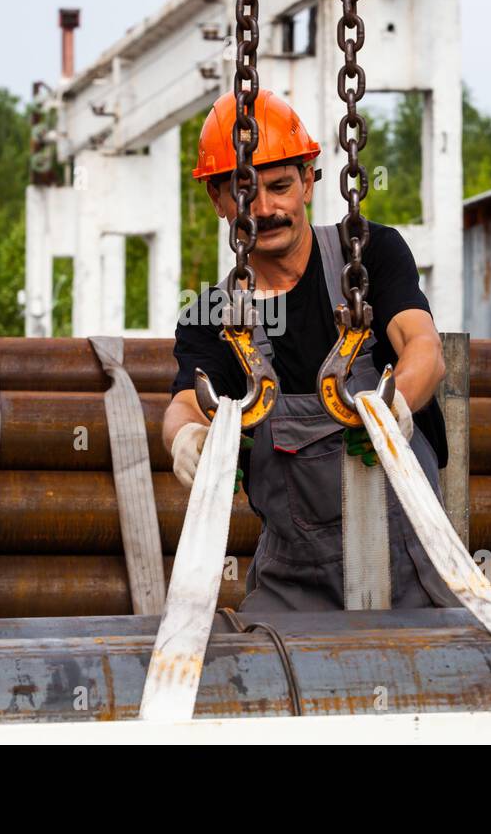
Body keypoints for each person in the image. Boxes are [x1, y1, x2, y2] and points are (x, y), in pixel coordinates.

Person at [162, 89, 458, 612]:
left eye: (280, 187)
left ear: (309, 181)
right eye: (244, 193)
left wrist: (393, 408)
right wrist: (187, 437)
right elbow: (187, 401)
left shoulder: (366, 257)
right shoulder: (213, 315)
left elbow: (422, 346)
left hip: (415, 568)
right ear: (217, 199)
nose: (266, 209)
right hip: (294, 588)